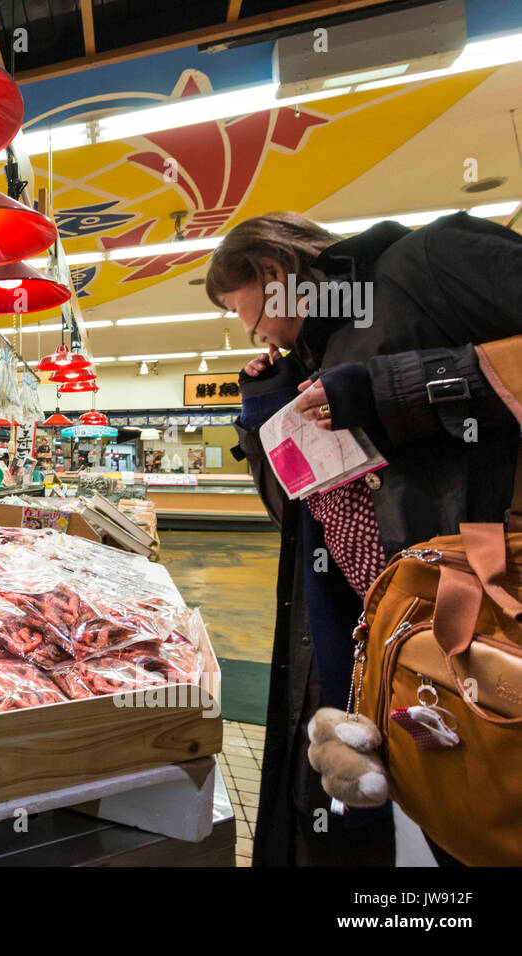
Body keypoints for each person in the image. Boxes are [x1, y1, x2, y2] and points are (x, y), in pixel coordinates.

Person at [209, 210, 522, 867]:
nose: (252, 332)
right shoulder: (311, 360)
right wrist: (264, 404)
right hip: (378, 660)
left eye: (247, 313)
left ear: (275, 273)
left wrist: (395, 391)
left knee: (483, 824)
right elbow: (297, 514)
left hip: (485, 628)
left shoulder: (428, 264)